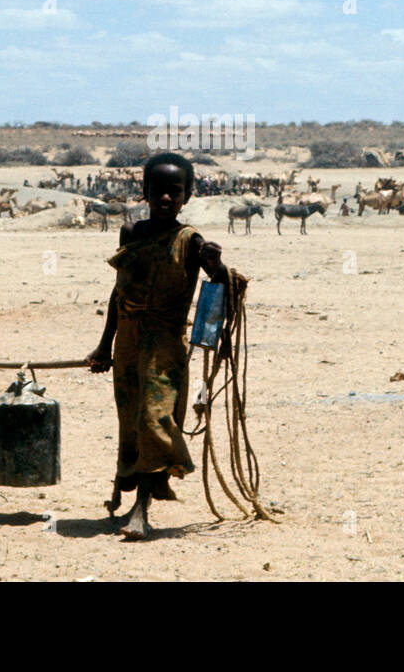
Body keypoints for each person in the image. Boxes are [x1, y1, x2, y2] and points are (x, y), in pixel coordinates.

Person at [85, 152, 228, 540]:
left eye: (175, 191)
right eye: (158, 190)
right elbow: (119, 292)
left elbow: (219, 287)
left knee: (155, 421)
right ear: (144, 191)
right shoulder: (131, 232)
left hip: (165, 347)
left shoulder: (191, 240)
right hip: (129, 343)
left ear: (188, 195)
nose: (166, 198)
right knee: (131, 420)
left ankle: (140, 510)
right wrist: (104, 347)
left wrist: (217, 267)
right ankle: (125, 487)